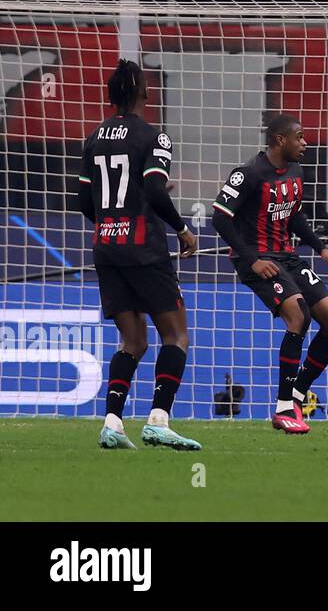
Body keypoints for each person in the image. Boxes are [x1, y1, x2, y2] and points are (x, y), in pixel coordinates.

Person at [78, 60, 201, 451]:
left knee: (132, 341)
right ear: (143, 92)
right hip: (145, 249)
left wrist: (113, 219)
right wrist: (181, 228)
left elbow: (84, 200)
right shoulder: (154, 137)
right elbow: (154, 190)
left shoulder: (93, 137)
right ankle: (158, 420)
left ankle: (112, 424)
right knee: (176, 335)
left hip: (107, 248)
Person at [211, 114, 328, 435]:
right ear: (280, 140)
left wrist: (321, 248)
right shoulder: (248, 174)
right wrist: (253, 259)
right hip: (257, 260)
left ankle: (298, 390)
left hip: (288, 257)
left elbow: (295, 216)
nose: (305, 142)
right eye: (299, 137)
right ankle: (285, 407)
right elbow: (220, 218)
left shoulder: (297, 172)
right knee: (298, 316)